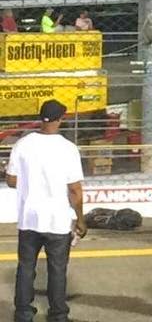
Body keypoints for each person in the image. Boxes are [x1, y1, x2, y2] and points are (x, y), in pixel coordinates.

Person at [6, 99, 87, 322]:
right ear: (61, 119)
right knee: (57, 269)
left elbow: (11, 180)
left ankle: (23, 312)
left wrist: (31, 181)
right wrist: (80, 219)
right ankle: (58, 314)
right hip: (57, 221)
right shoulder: (68, 148)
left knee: (25, 267)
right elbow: (75, 190)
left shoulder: (23, 144)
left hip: (29, 219)